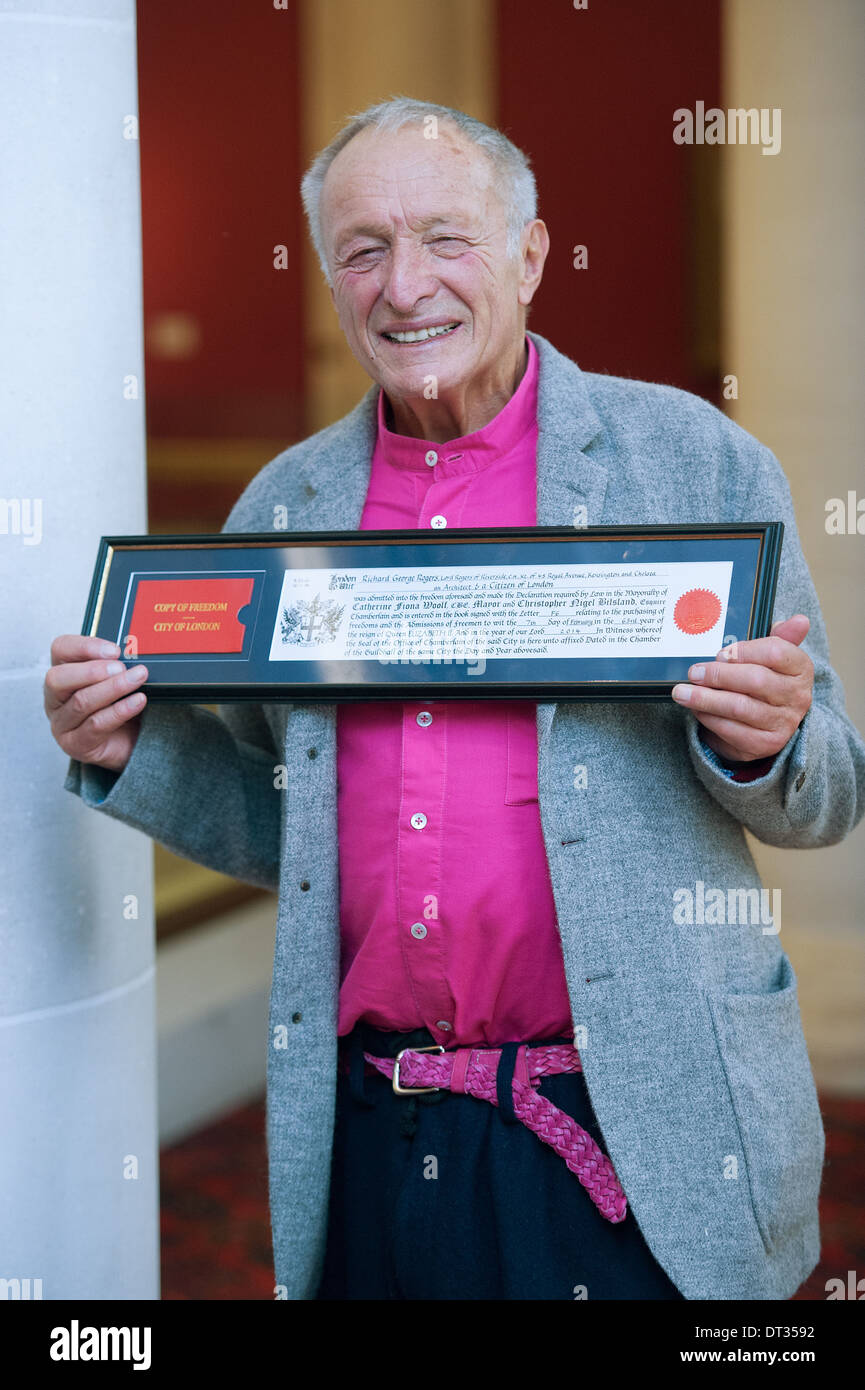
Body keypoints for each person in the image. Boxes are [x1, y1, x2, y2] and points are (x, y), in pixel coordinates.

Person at [46, 98, 865, 1301]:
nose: (403, 283)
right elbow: (294, 829)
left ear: (530, 256)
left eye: (446, 237)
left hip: (642, 1123)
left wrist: (771, 745)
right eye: (363, 248)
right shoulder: (284, 509)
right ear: (330, 277)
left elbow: (829, 793)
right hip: (376, 1127)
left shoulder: (692, 461)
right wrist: (128, 751)